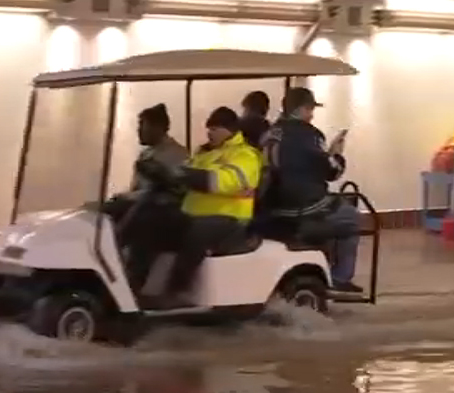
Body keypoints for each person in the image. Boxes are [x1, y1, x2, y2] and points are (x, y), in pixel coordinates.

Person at [144, 107, 262, 308]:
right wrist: (166, 175)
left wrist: (190, 176)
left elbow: (229, 181)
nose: (209, 133)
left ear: (229, 130)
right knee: (152, 221)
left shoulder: (245, 155)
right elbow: (184, 173)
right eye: (209, 129)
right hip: (195, 214)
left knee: (197, 232)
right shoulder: (204, 153)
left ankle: (178, 291)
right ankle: (139, 282)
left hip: (230, 218)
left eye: (214, 129)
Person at [261, 86, 360, 293]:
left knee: (335, 209)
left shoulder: (270, 133)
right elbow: (332, 172)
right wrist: (337, 153)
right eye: (311, 110)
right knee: (350, 217)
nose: (312, 115)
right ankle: (340, 277)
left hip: (271, 208)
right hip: (304, 208)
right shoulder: (310, 135)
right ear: (303, 109)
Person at [131, 103, 189, 191]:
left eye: (142, 124)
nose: (138, 130)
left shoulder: (178, 155)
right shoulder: (145, 154)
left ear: (157, 127)